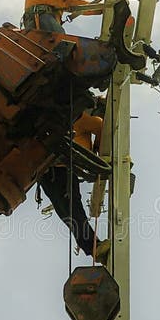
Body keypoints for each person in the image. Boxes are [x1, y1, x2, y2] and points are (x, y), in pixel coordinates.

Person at [39, 101, 110, 263]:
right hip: (55, 169)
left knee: (69, 211)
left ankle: (93, 247)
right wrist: (96, 153)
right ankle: (93, 247)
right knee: (68, 211)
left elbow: (100, 126)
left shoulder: (78, 118)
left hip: (54, 169)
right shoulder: (78, 118)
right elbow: (100, 126)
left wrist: (96, 154)